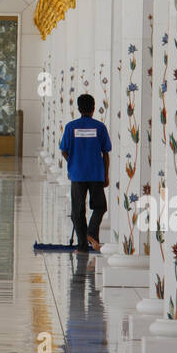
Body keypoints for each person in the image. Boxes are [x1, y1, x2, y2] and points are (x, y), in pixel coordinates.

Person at [59, 93, 111, 253]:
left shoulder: (71, 127)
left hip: (78, 174)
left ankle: (82, 245)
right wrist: (106, 174)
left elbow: (64, 150)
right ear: (93, 109)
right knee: (100, 206)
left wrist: (73, 164)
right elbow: (106, 153)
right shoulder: (100, 127)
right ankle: (92, 232)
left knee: (77, 210)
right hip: (96, 174)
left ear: (79, 109)